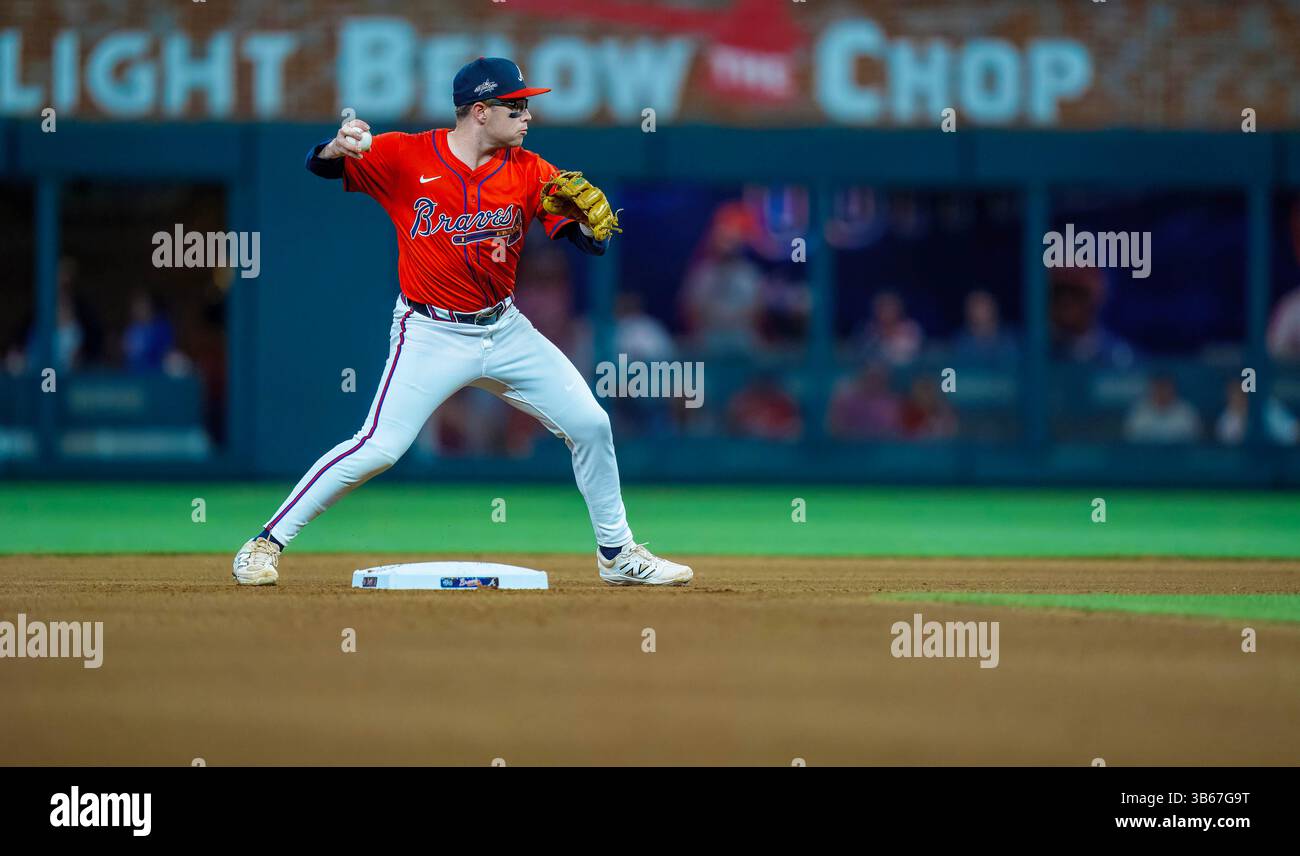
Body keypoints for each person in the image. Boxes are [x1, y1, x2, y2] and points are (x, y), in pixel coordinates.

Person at [232, 57, 692, 587]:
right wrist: (337, 147)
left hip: (506, 330)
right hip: (429, 332)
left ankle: (617, 554)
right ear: (479, 111)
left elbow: (580, 237)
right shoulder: (406, 155)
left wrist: (593, 230)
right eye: (515, 105)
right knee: (378, 446)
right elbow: (321, 165)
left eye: (527, 105)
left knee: (590, 424)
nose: (527, 115)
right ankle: (265, 542)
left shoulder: (529, 169)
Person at [1123, 376, 1201, 444]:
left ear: (1173, 390)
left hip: (1180, 457)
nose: (1162, 393)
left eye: (1166, 388)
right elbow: (1130, 439)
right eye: (1159, 388)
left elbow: (1196, 439)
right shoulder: (1138, 411)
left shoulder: (1186, 411)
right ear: (1151, 390)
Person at [952, 290, 1017, 366]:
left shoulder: (1010, 339)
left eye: (983, 303)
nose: (980, 310)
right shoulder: (960, 341)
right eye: (974, 305)